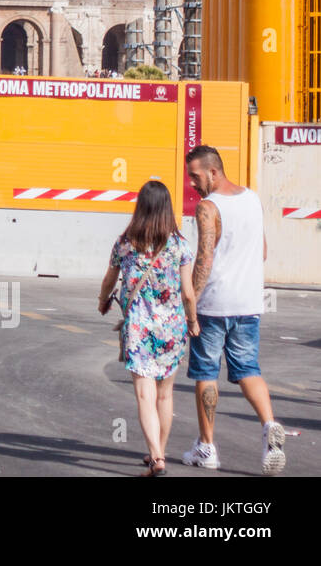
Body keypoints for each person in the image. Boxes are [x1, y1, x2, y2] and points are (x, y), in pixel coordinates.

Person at [182, 145, 286, 475]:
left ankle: (207, 447)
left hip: (214, 305)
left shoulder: (208, 207)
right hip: (248, 303)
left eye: (195, 176)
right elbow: (264, 250)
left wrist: (191, 305)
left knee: (205, 373)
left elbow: (204, 259)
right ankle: (269, 425)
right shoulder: (252, 199)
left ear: (213, 171)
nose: (192, 184)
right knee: (248, 369)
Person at [97, 180, 197, 476]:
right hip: (172, 329)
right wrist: (192, 322)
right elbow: (188, 293)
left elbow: (108, 280)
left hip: (139, 329)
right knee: (165, 395)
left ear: (140, 207)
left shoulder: (125, 243)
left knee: (145, 395)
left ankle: (156, 457)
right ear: (168, 208)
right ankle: (159, 452)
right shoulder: (180, 245)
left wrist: (103, 301)